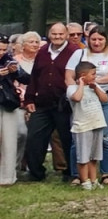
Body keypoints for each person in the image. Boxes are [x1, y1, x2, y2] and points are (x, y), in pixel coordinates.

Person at [21, 23, 81, 183]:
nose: (57, 37)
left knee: (66, 138)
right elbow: (34, 76)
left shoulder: (74, 52)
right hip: (42, 103)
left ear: (66, 35)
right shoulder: (42, 52)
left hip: (64, 103)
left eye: (61, 34)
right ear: (49, 35)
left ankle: (70, 172)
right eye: (54, 34)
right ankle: (36, 173)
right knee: (34, 137)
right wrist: (29, 98)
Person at [71, 26, 108, 178]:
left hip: (106, 97)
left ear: (106, 40)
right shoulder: (79, 53)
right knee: (79, 137)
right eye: (93, 39)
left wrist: (93, 80)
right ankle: (77, 175)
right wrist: (74, 90)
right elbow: (69, 75)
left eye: (100, 39)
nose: (97, 42)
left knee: (107, 138)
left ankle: (105, 174)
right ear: (88, 39)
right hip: (83, 98)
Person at [1, 33, 38, 186]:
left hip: (8, 103)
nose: (1, 53)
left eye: (3, 49)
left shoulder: (9, 60)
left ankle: (7, 176)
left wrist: (15, 71)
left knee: (9, 139)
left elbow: (27, 78)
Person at [67, 59, 108, 189]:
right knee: (83, 156)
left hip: (96, 123)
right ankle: (84, 180)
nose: (95, 77)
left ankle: (93, 179)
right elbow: (77, 98)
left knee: (94, 156)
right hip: (82, 126)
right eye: (93, 74)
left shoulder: (95, 87)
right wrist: (80, 85)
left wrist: (95, 87)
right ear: (83, 76)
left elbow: (105, 99)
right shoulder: (72, 88)